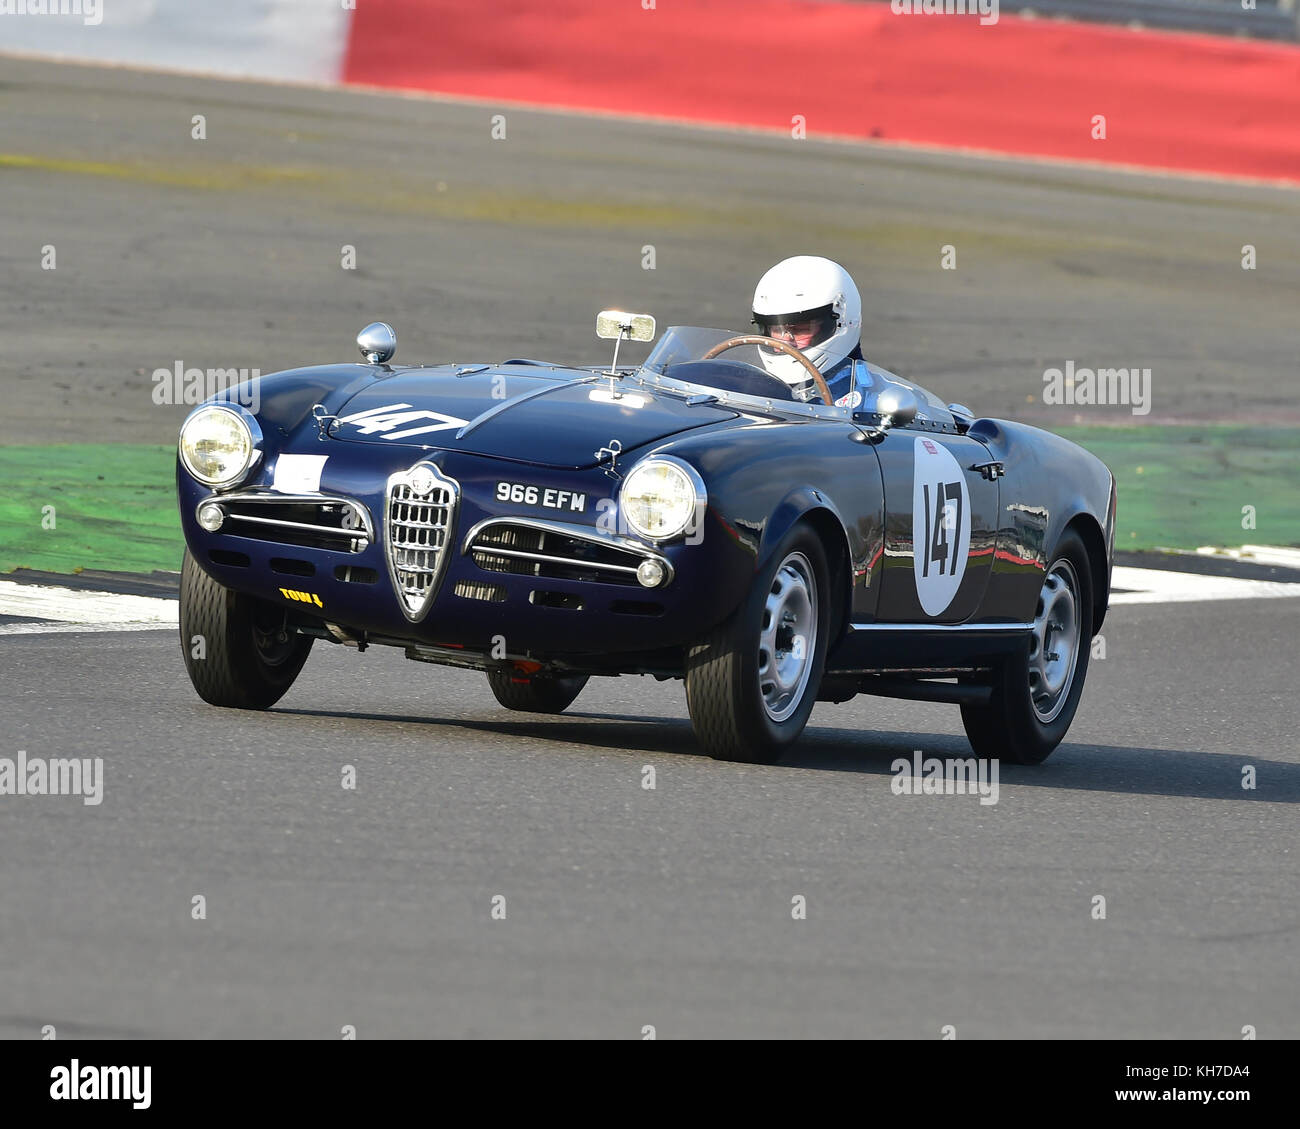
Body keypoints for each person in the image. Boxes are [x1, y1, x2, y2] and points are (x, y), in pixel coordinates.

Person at [751, 255, 864, 404]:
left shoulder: (875, 402)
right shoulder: (749, 392)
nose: (785, 342)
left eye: (800, 330)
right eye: (776, 330)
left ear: (841, 322)